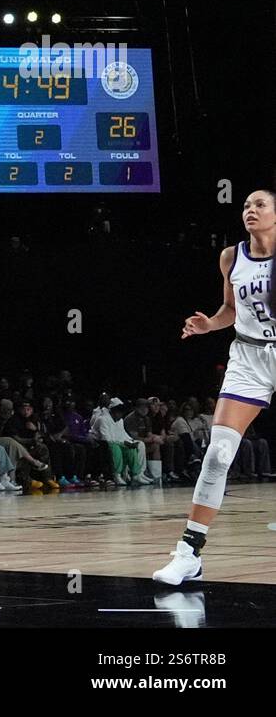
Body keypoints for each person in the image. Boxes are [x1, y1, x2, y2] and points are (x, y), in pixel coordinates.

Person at [154, 189, 276, 585]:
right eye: (245, 205)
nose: (250, 210)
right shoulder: (231, 256)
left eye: (260, 204)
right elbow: (230, 310)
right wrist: (208, 323)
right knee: (219, 452)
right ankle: (189, 554)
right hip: (248, 358)